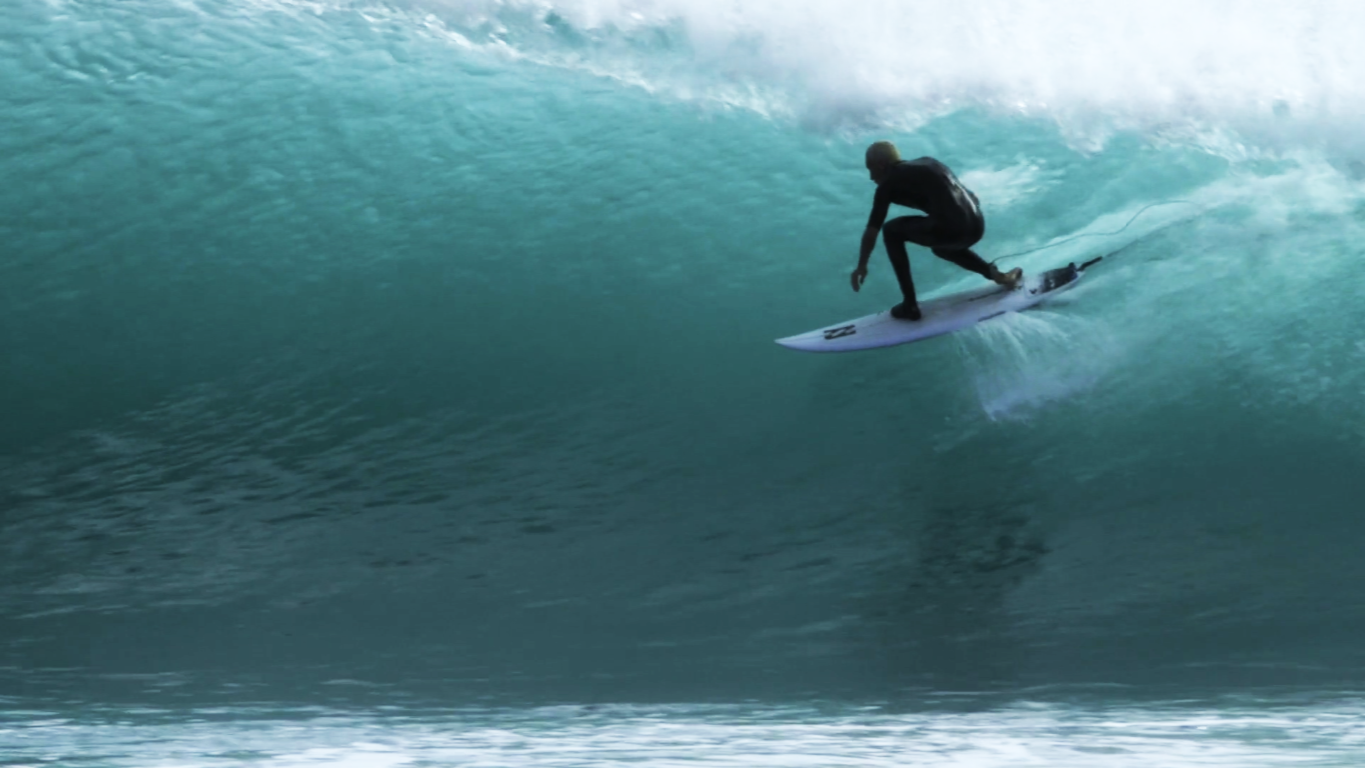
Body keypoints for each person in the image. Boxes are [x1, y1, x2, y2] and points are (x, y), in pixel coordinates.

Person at [849, 141, 1022, 321]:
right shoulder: (929, 162)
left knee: (891, 230)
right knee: (941, 247)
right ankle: (997, 275)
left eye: (870, 169)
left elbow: (872, 229)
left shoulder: (888, 184)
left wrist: (862, 265)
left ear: (881, 165)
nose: (871, 177)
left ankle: (910, 305)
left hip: (954, 230)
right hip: (977, 225)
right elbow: (971, 197)